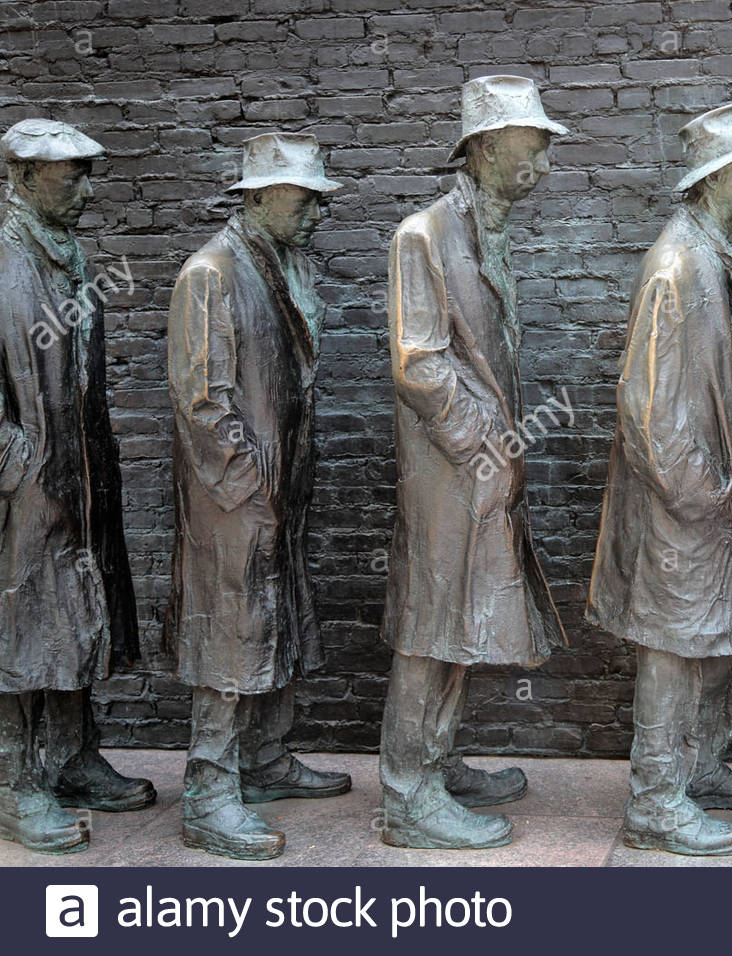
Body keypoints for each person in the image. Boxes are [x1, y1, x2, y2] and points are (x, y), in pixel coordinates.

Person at [587, 103, 732, 856]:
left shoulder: (707, 255)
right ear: (717, 180)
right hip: (684, 505)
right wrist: (702, 491)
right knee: (673, 648)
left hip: (706, 500)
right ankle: (654, 802)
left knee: (710, 638)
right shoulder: (679, 264)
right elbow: (644, 401)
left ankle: (699, 767)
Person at [379, 76, 569, 850]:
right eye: (536, 146)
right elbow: (418, 363)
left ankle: (438, 760)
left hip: (478, 471)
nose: (546, 163)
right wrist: (485, 444)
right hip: (448, 473)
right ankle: (406, 796)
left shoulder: (489, 232)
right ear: (488, 147)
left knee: (461, 623)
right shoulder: (423, 235)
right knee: (432, 625)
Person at [167, 132, 350, 861]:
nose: (315, 212)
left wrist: (281, 488)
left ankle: (266, 758)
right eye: (305, 198)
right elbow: (203, 404)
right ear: (260, 195)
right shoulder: (211, 273)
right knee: (229, 636)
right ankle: (209, 793)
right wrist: (251, 489)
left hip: (277, 489)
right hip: (234, 500)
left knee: (277, 624)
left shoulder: (282, 265)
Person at [0, 119, 156, 855]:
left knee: (75, 618)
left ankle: (70, 754)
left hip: (80, 479)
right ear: (23, 178)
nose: (87, 192)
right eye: (72, 178)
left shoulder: (71, 256)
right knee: (19, 633)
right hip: (24, 495)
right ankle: (14, 781)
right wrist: (20, 467)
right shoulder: (3, 262)